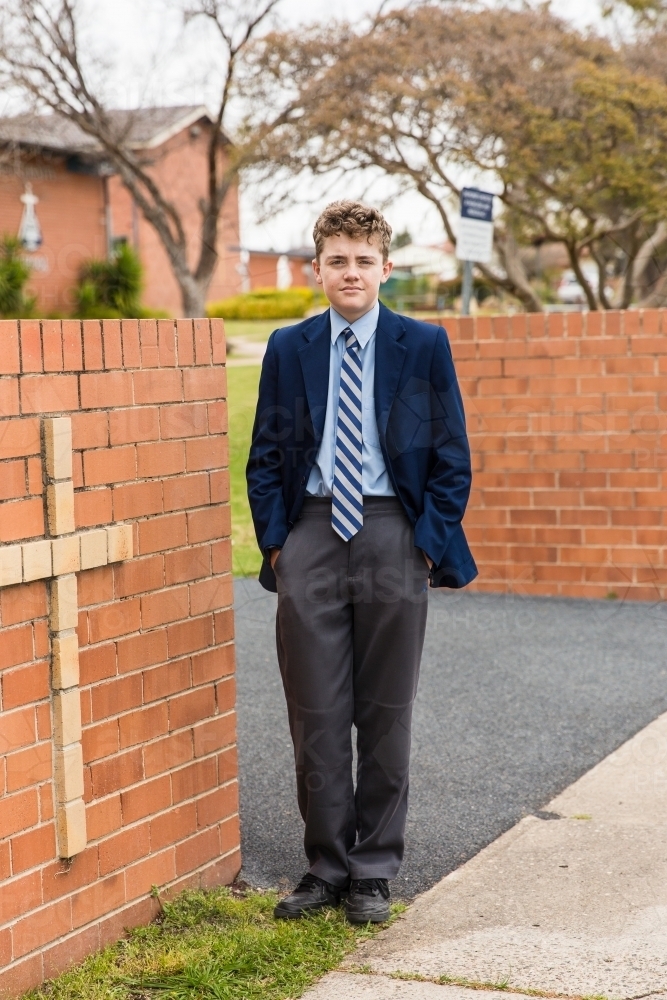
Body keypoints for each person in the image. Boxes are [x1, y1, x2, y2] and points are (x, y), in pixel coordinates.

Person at [247, 200, 476, 923]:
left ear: (386, 268)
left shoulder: (423, 343)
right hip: (312, 532)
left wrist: (424, 543)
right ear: (317, 270)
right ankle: (325, 866)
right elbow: (263, 456)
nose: (350, 272)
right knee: (314, 711)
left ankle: (374, 869)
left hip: (389, 531)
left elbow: (450, 458)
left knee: (384, 712)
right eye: (336, 260)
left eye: (362, 260)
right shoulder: (289, 347)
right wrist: (279, 545)